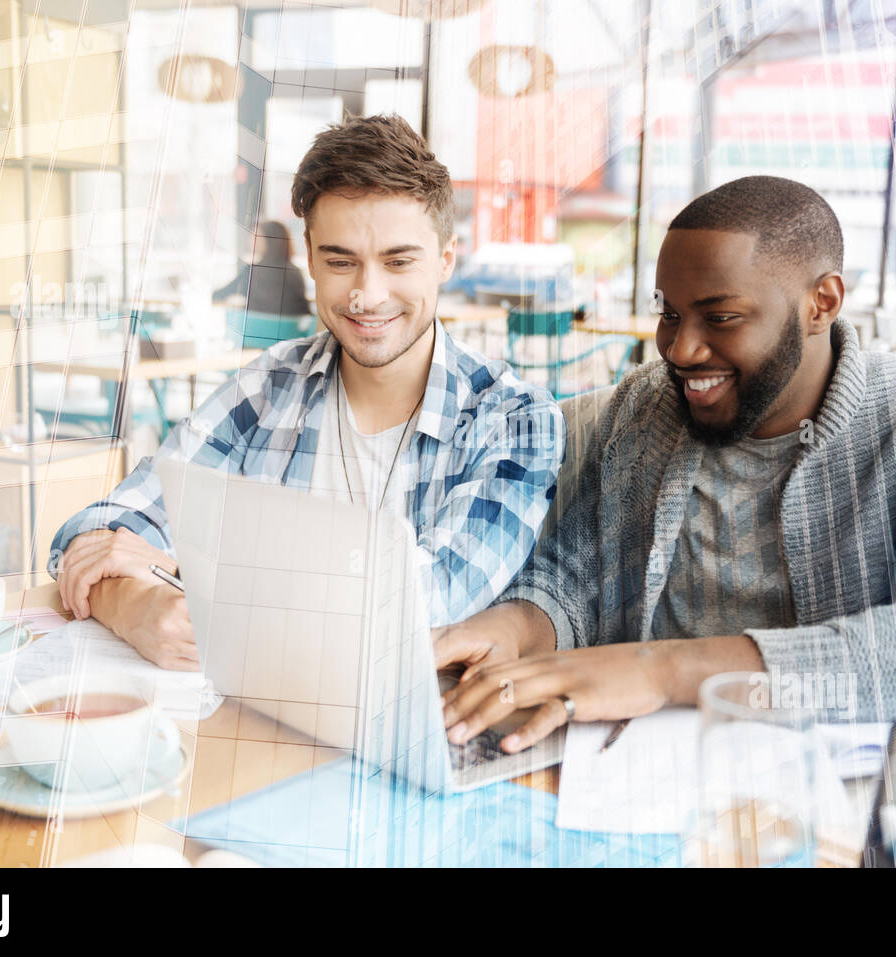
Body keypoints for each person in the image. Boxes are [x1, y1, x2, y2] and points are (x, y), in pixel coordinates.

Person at [436, 175, 896, 753]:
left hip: (852, 810)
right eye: (670, 314)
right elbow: (580, 577)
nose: (680, 349)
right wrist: (518, 624)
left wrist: (670, 670)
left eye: (721, 317)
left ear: (821, 302)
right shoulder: (646, 408)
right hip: (640, 779)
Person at [49, 114, 564, 670]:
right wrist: (133, 605)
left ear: (445, 259)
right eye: (341, 262)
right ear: (311, 257)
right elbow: (94, 535)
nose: (367, 295)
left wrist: (181, 572)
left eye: (398, 261)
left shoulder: (515, 418)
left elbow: (430, 598)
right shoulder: (269, 385)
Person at [211, 220, 312, 319]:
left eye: (256, 236)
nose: (250, 240)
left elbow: (218, 295)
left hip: (257, 332)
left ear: (270, 241)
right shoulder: (295, 273)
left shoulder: (251, 272)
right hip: (292, 334)